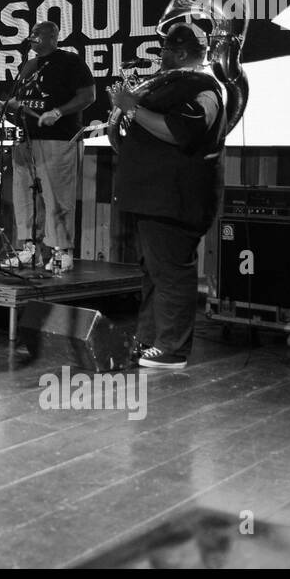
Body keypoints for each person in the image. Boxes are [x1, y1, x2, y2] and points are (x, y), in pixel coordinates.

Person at [110, 22, 227, 369]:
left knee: (172, 272)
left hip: (174, 198)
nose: (159, 56)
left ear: (180, 53)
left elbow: (180, 133)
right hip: (154, 196)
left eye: (164, 50)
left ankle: (172, 349)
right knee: (155, 272)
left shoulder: (203, 89)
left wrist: (131, 107)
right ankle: (150, 339)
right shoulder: (174, 84)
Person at [0, 19, 96, 271]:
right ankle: (29, 249)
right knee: (25, 196)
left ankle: (61, 252)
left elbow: (88, 96)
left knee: (58, 197)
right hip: (26, 138)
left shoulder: (70, 61)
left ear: (54, 37)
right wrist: (0, 107)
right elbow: (21, 104)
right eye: (32, 32)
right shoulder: (28, 66)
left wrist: (58, 111)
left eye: (39, 33)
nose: (33, 36)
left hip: (59, 138)